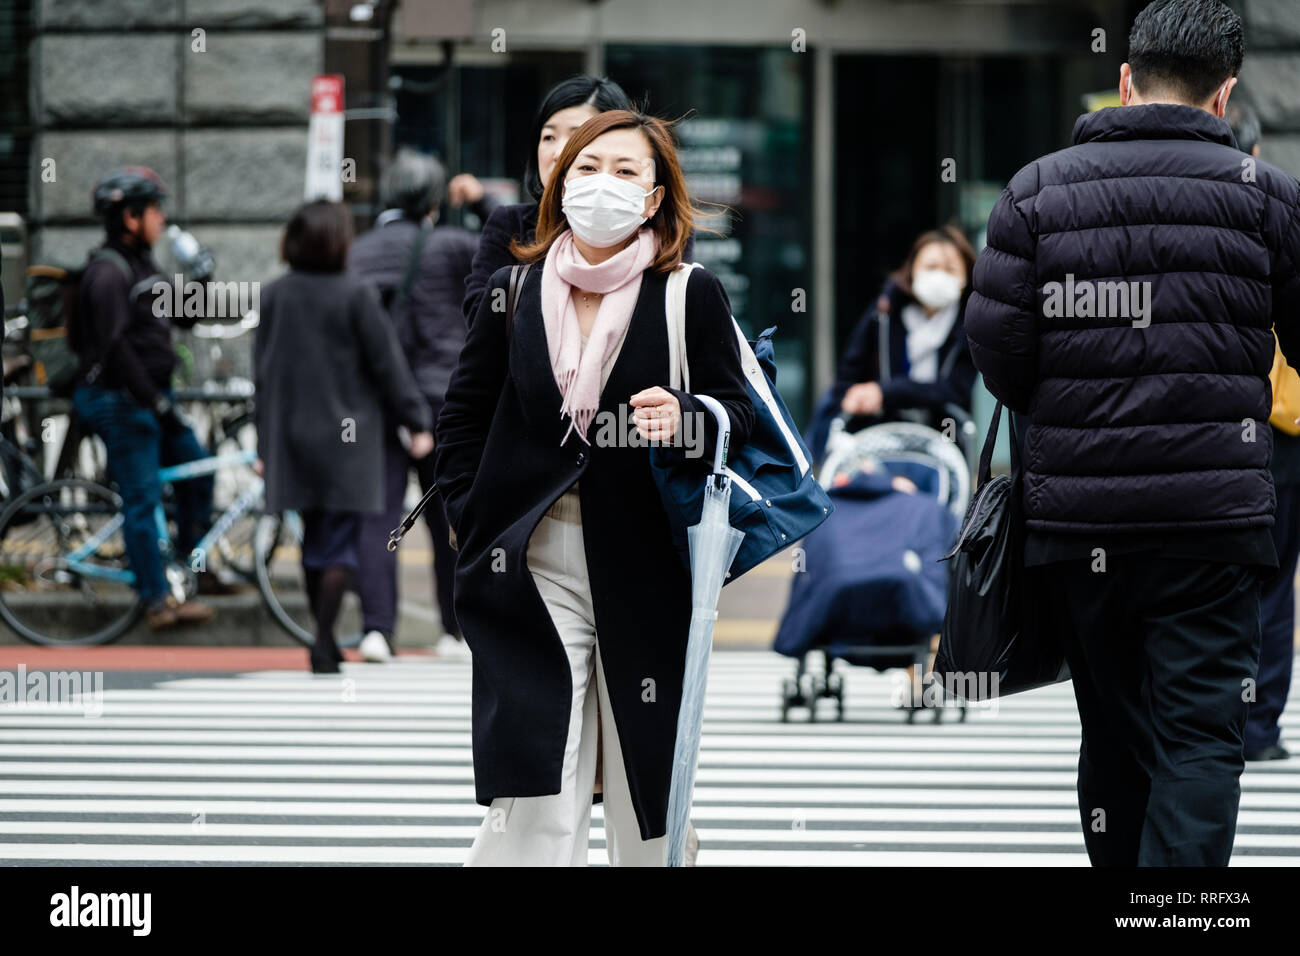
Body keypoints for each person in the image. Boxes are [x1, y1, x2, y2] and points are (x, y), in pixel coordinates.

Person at [964, 0, 1300, 866]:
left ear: (1124, 82)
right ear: (1224, 98)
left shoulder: (1036, 191)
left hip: (1080, 521)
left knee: (1113, 728)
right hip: (1214, 519)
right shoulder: (1268, 199)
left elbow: (999, 354)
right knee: (1200, 736)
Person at [434, 109, 754, 866]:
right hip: (531, 560)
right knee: (538, 778)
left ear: (653, 196)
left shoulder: (687, 293)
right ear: (559, 186)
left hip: (646, 564)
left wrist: (686, 418)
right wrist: (471, 519)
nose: (601, 184)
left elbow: (739, 415)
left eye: (624, 171)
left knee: (645, 795)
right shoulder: (516, 291)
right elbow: (464, 416)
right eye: (586, 167)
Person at [254, 201, 434, 674]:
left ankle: (325, 638)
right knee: (337, 542)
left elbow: (263, 376)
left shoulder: (274, 295)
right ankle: (322, 639)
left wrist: (262, 446)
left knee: (314, 538)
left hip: (292, 438)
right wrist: (416, 421)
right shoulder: (355, 295)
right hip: (348, 439)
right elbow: (387, 366)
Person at [70, 166, 225, 630]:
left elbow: (186, 318)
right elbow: (114, 349)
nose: (162, 217)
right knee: (141, 499)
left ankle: (189, 570)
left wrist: (200, 281)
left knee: (197, 474)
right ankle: (157, 601)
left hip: (150, 397)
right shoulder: (107, 273)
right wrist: (153, 402)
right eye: (155, 209)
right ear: (130, 217)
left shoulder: (144, 266)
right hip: (120, 401)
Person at [349, 149, 480, 663]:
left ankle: (377, 630)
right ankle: (453, 632)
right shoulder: (454, 245)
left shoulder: (360, 252)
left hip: (378, 400)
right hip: (444, 398)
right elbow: (517, 252)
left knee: (377, 515)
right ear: (433, 200)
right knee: (447, 516)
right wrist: (481, 202)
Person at [1227, 100, 1294, 763]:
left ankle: (1217, 719)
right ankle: (1259, 725)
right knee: (1272, 584)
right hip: (1280, 429)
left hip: (1205, 432)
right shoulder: (1281, 206)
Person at [462, 75, 635, 323]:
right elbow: (483, 322)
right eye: (549, 137)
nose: (557, 153)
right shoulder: (510, 225)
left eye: (577, 137)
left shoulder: (655, 228)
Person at [805, 226, 978, 463]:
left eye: (949, 269)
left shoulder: (972, 323)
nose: (939, 275)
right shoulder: (884, 311)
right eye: (930, 267)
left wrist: (886, 392)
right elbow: (848, 372)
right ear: (912, 270)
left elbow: (955, 390)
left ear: (965, 276)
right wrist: (853, 398)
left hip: (943, 444)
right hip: (876, 436)